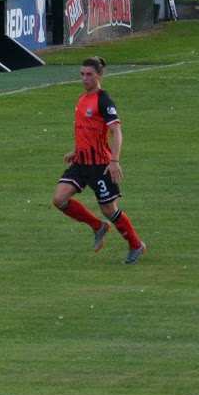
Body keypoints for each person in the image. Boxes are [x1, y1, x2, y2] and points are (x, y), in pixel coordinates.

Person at [52, 57, 146, 264]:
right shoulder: (81, 99)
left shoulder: (104, 100)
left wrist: (114, 161)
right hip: (81, 163)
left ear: (100, 76)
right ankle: (98, 226)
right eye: (82, 74)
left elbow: (116, 132)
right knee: (59, 199)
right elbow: (85, 130)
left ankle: (136, 245)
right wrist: (76, 150)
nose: (84, 79)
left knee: (108, 209)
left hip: (100, 165)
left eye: (89, 75)